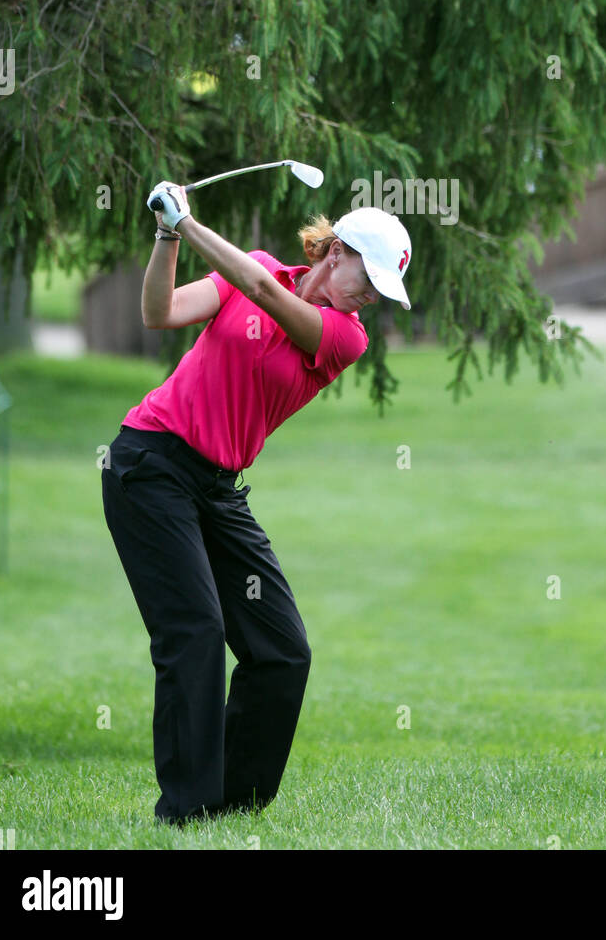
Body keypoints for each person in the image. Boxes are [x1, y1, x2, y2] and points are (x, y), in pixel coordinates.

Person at [101, 182, 412, 826]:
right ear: (338, 250)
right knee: (196, 632)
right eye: (369, 277)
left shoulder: (343, 337)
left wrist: (188, 223)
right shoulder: (258, 268)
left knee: (282, 650)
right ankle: (186, 811)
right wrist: (166, 236)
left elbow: (267, 294)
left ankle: (235, 803)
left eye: (383, 291)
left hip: (217, 491)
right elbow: (160, 313)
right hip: (151, 466)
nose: (371, 297)